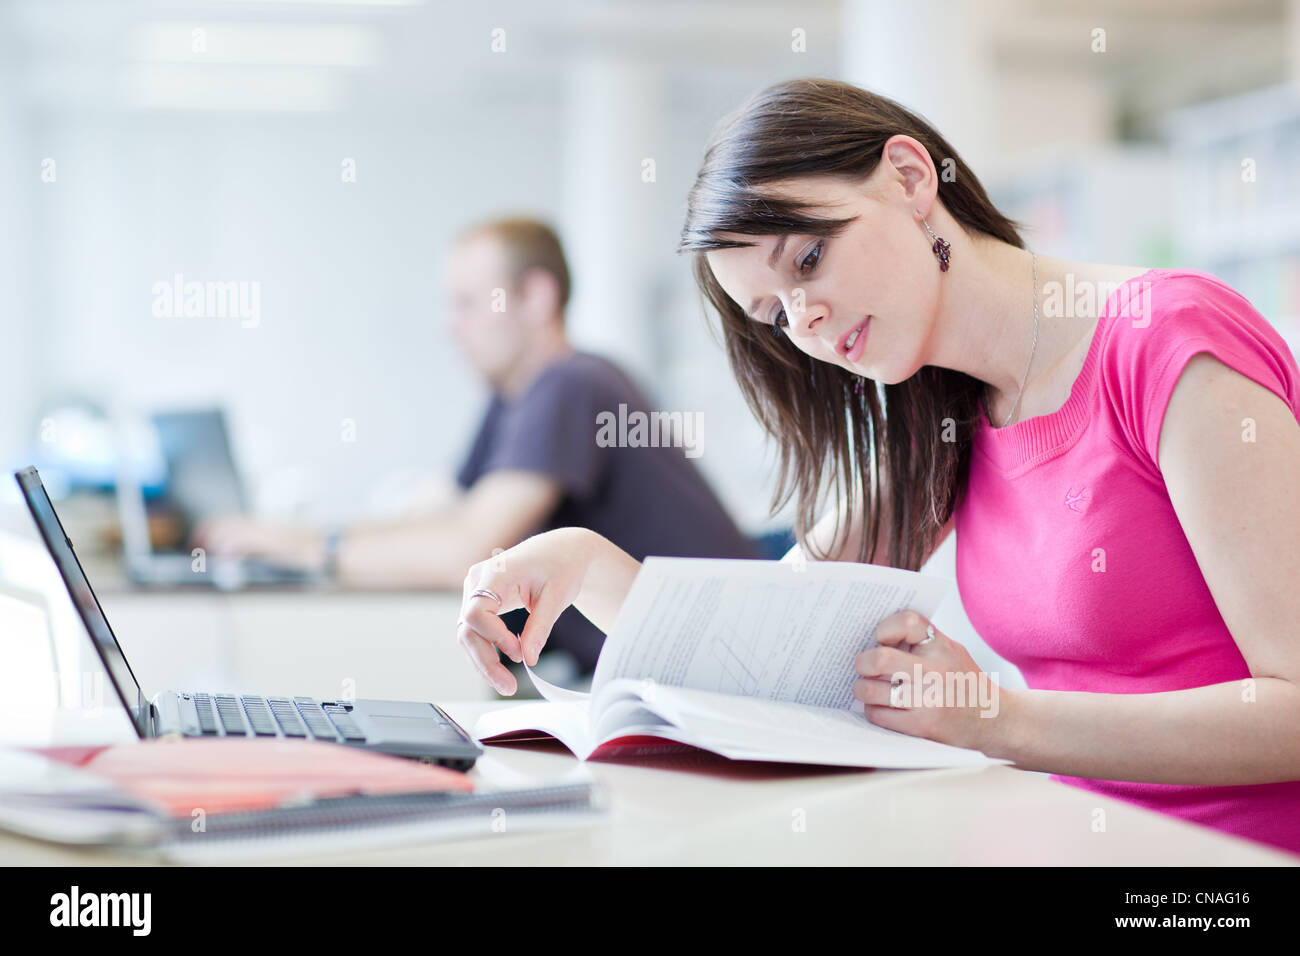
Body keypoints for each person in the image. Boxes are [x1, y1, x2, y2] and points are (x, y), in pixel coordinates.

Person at [456, 79, 1300, 856]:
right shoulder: (946, 411)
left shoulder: (1173, 345)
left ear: (907, 176)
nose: (807, 317)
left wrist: (999, 719)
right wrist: (580, 563)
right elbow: (755, 645)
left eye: (810, 260)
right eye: (774, 312)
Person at [195, 216, 757, 677]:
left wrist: (298, 552)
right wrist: (291, 537)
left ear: (537, 297)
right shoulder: (514, 397)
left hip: (722, 665)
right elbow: (439, 517)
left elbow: (464, 550)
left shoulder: (573, 384)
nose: (449, 326)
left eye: (466, 304)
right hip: (645, 670)